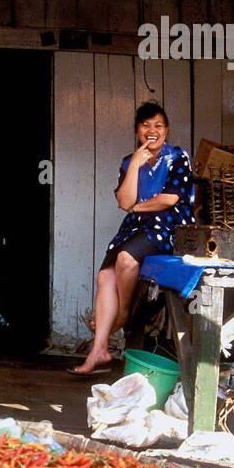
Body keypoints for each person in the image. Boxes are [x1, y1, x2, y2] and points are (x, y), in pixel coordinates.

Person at [69, 101, 195, 376]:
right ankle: (99, 350)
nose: (152, 130)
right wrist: (136, 165)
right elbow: (124, 200)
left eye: (158, 125)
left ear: (167, 130)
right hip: (137, 226)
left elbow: (169, 199)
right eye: (146, 125)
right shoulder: (130, 161)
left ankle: (124, 314)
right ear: (137, 130)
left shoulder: (177, 156)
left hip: (170, 225)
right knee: (104, 277)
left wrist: (136, 207)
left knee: (126, 260)